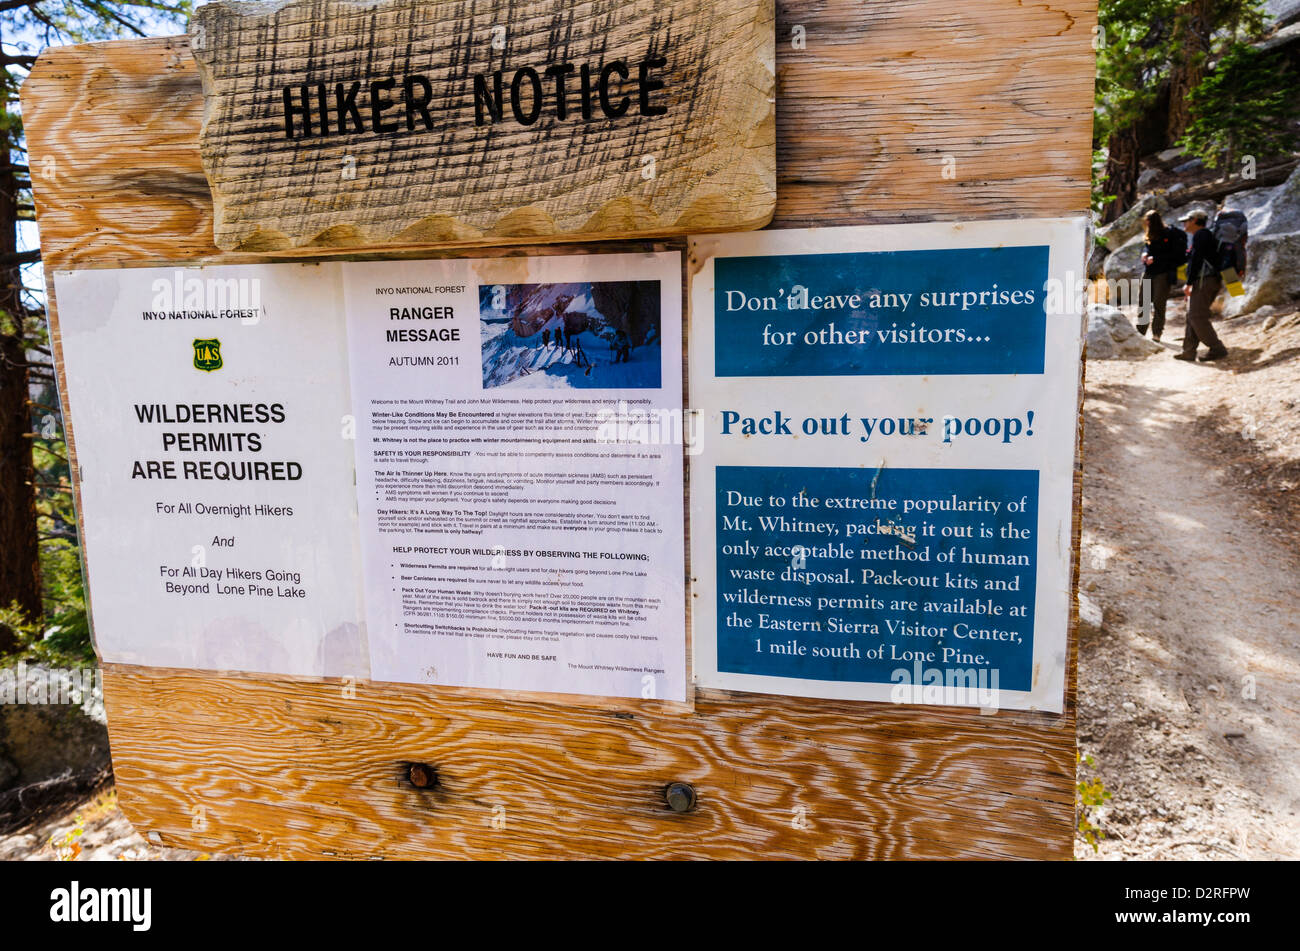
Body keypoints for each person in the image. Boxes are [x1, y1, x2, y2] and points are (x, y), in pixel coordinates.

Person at [1176, 210, 1228, 363]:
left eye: (1186, 220)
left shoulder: (1202, 235)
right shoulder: (1202, 235)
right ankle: (1188, 351)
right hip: (1207, 279)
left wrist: (1189, 283)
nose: (1183, 223)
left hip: (1205, 280)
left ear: (1195, 220)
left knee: (1196, 316)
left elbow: (1196, 260)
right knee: (1191, 314)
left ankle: (1217, 348)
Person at [1138, 209, 1183, 341]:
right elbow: (1148, 247)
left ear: (1153, 222)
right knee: (1143, 302)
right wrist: (1145, 254)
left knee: (1159, 303)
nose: (1146, 224)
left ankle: (1157, 333)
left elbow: (1173, 255)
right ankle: (1140, 332)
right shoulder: (1150, 234)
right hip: (1149, 271)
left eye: (1148, 222)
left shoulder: (1168, 234)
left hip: (1163, 273)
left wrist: (1156, 258)